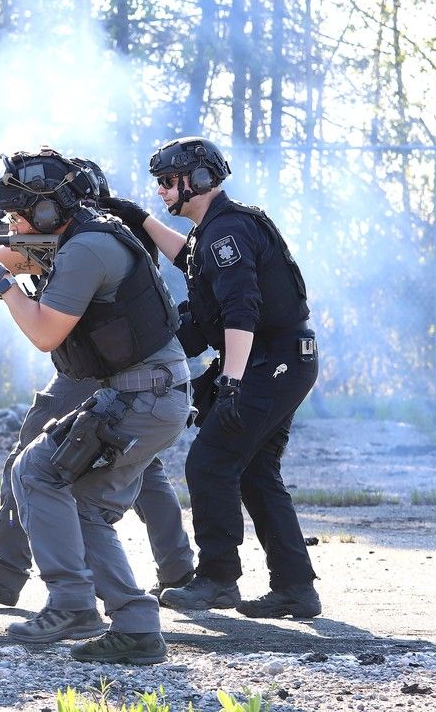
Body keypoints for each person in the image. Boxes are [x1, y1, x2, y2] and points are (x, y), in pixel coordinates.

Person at [0, 148, 192, 665]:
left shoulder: (87, 248)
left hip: (142, 396)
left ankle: (71, 603)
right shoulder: (84, 234)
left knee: (36, 472)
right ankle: (134, 628)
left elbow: (45, 333)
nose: (12, 224)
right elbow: (20, 256)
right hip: (145, 393)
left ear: (45, 212)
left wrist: (1, 283)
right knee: (83, 504)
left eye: (18, 213)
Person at [117, 136, 320, 618]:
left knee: (210, 462)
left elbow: (241, 309)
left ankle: (217, 580)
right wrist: (137, 218)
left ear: (199, 179)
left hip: (271, 361)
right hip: (282, 358)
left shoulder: (227, 231)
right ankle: (296, 589)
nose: (162, 191)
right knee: (254, 470)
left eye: (168, 181)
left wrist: (230, 382)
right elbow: (191, 258)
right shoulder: (217, 231)